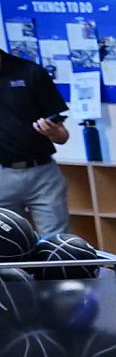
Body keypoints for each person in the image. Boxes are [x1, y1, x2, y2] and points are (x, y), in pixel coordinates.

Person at [0, 46, 71, 236]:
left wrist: (53, 131)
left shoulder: (30, 72)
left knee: (57, 241)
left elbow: (63, 136)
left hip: (42, 174)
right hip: (2, 175)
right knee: (8, 246)